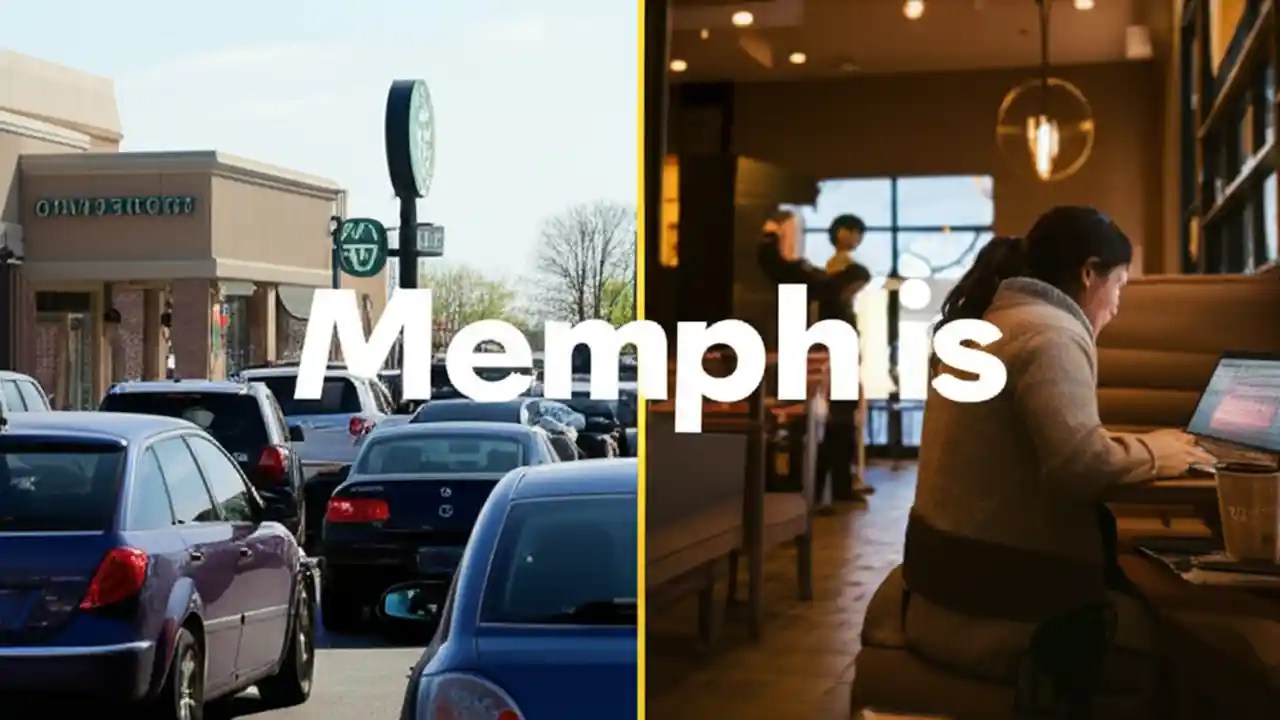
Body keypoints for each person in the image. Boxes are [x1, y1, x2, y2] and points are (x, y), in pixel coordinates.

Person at [857, 206, 1215, 717]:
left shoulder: (984, 325)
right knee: (1187, 642)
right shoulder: (1050, 332)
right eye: (1119, 287)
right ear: (1090, 273)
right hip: (1004, 613)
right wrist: (1161, 450)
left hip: (939, 595)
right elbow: (1079, 469)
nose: (1116, 306)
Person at [757, 212, 872, 506]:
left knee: (835, 421)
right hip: (825, 356)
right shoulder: (820, 277)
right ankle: (822, 490)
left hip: (832, 354)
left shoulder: (817, 277)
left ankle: (828, 489)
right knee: (826, 422)